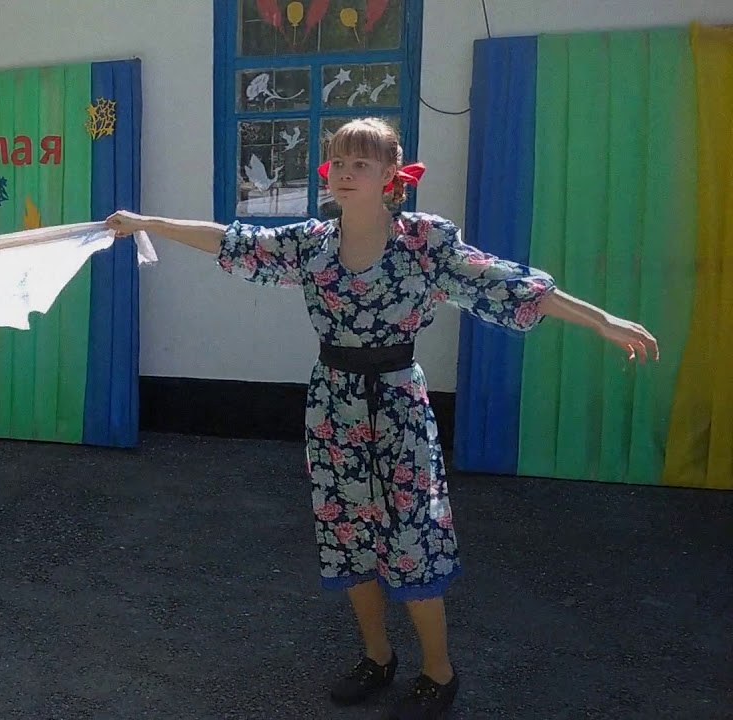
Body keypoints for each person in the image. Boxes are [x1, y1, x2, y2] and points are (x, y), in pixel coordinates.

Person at [105, 117, 657, 720]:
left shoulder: (423, 241)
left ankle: (438, 672)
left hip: (397, 405)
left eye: (361, 164)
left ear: (391, 174)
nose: (345, 173)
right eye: (338, 163)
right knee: (349, 537)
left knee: (411, 537)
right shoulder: (312, 243)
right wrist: (147, 223)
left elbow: (510, 285)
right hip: (333, 406)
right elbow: (233, 241)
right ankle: (377, 656)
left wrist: (601, 320)